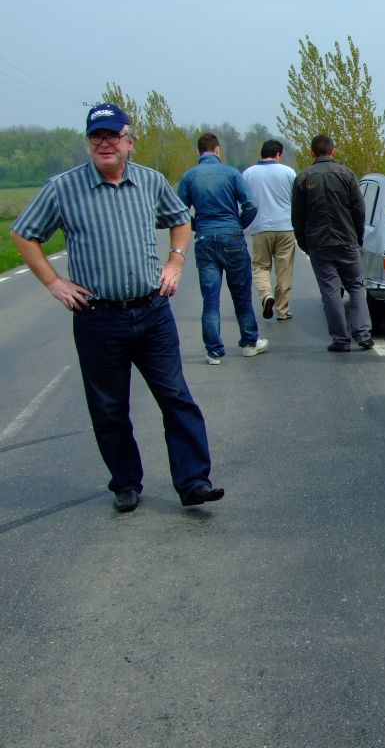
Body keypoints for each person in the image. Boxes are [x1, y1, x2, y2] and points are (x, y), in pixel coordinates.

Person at [10, 102, 224, 512]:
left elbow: (181, 219)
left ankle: (194, 481)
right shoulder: (63, 188)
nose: (104, 143)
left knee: (176, 397)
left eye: (112, 135)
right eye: (96, 136)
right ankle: (125, 482)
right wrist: (53, 282)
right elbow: (23, 234)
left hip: (152, 310)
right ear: (89, 142)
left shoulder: (150, 181)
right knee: (109, 408)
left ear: (129, 141)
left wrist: (176, 261)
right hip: (98, 317)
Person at [178, 133, 268, 364]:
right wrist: (239, 223)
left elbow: (179, 211)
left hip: (205, 239)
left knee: (210, 299)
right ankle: (249, 342)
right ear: (217, 150)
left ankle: (214, 352)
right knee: (241, 296)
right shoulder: (231, 173)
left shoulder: (189, 177)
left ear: (200, 152)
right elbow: (251, 204)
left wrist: (197, 224)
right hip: (232, 237)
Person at [291, 134, 374, 353]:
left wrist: (304, 242)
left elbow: (297, 216)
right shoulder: (346, 174)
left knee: (330, 290)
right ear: (333, 152)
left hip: (318, 242)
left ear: (312, 153)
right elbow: (359, 209)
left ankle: (340, 339)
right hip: (347, 239)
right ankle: (363, 334)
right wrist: (358, 236)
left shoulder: (303, 177)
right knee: (356, 285)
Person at [242, 140, 297, 321]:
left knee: (260, 266)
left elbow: (243, 202)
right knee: (284, 271)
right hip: (285, 227)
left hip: (260, 227)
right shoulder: (288, 172)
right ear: (278, 155)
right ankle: (282, 309)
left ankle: (266, 295)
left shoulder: (248, 174)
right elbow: (296, 199)